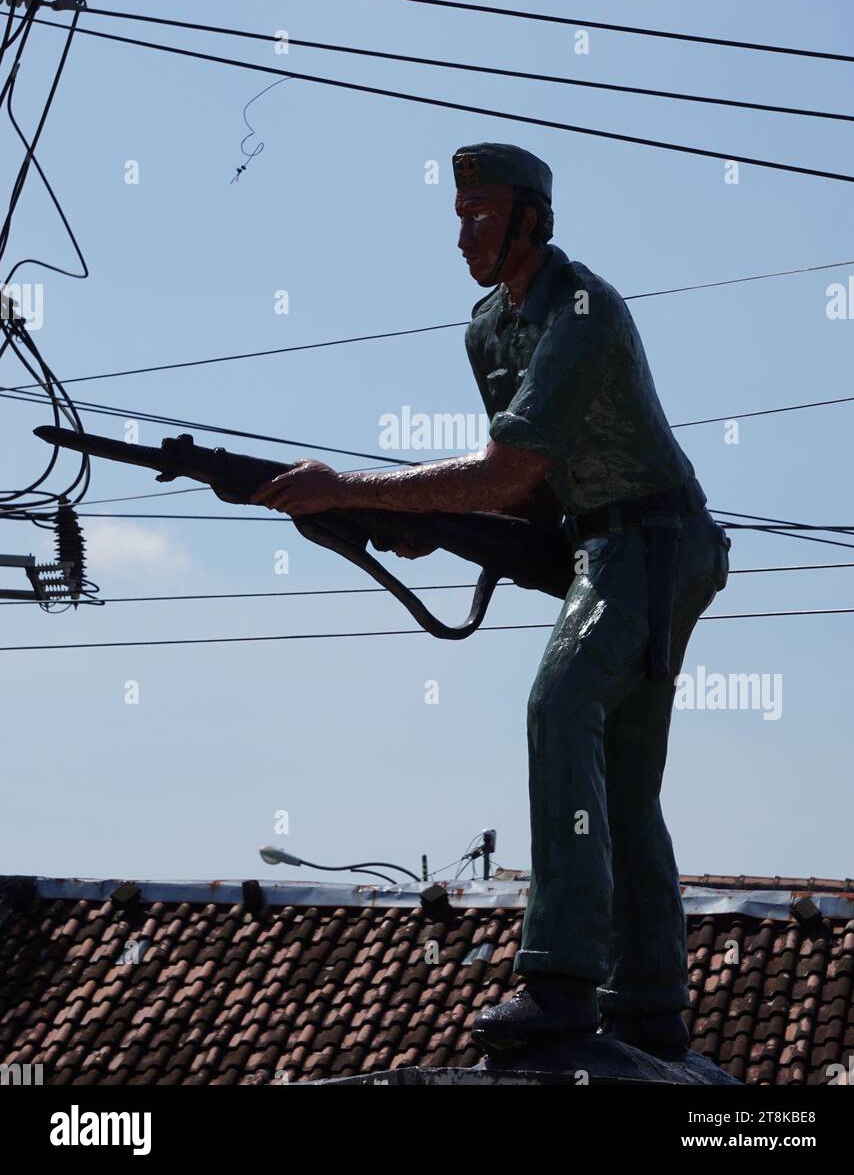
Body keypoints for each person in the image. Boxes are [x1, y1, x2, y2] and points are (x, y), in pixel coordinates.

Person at [252, 142, 730, 1058]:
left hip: (658, 541)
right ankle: (651, 1003)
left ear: (532, 221)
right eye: (459, 217)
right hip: (602, 544)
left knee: (560, 706)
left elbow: (506, 469)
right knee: (624, 778)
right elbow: (529, 487)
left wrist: (346, 487)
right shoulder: (487, 330)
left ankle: (558, 979)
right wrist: (434, 522)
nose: (465, 235)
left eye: (483, 215)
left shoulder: (583, 308)